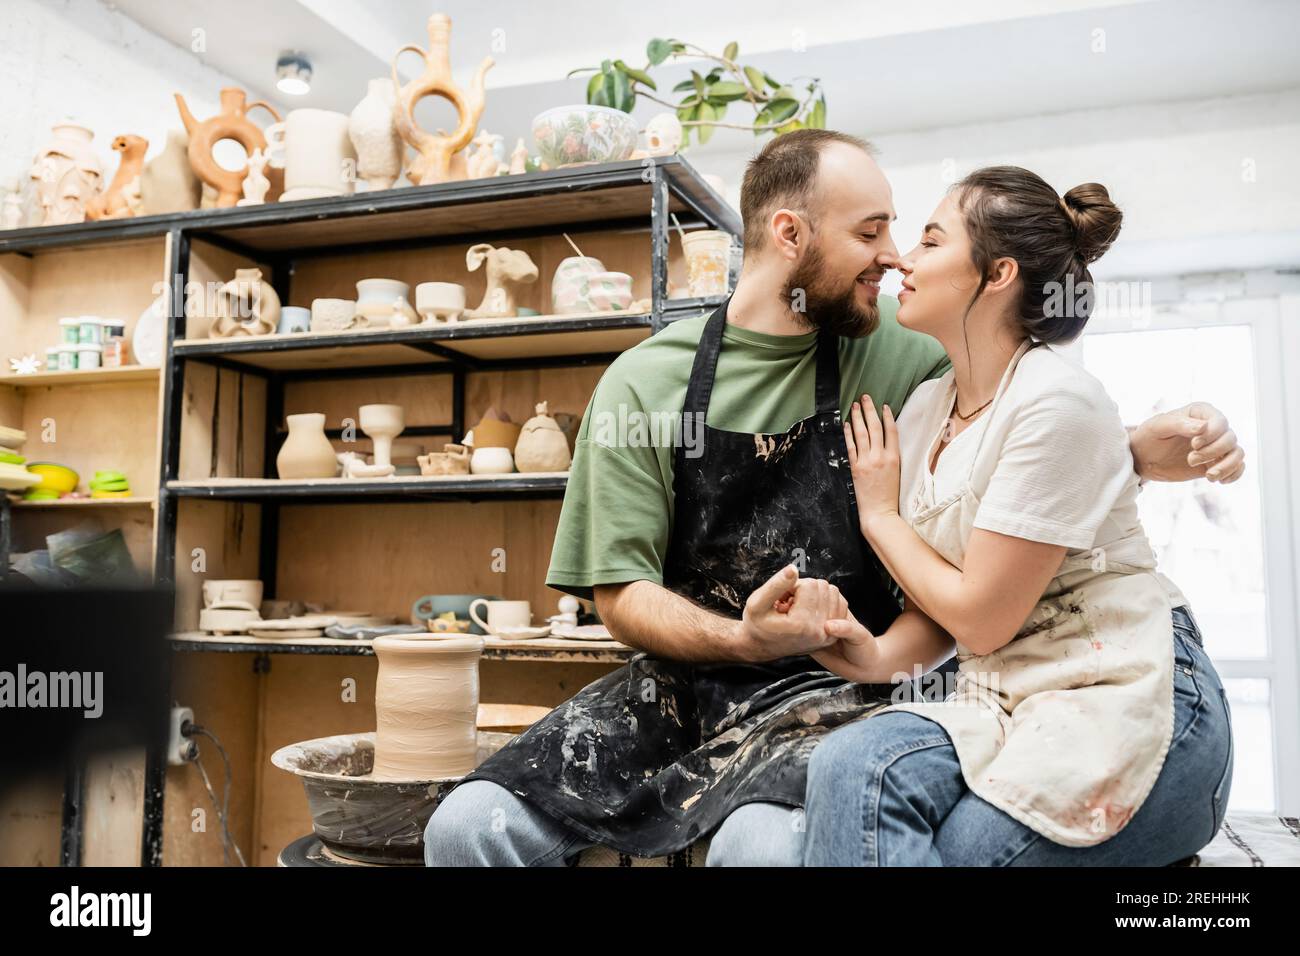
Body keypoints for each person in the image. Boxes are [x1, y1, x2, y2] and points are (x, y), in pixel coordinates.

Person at [424, 131, 1243, 867]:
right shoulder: (646, 383)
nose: (892, 258)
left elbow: (1019, 431)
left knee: (760, 846)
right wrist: (742, 639)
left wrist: (1131, 449)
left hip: (841, 688)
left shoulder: (903, 352)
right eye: (872, 232)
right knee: (465, 829)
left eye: (909, 233)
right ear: (790, 235)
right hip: (684, 685)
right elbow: (620, 594)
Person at [800, 166, 1235, 866]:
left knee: (971, 853)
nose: (902, 258)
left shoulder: (1057, 401)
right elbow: (949, 611)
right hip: (1006, 697)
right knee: (851, 764)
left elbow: (982, 618)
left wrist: (881, 516)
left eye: (931, 242)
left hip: (1138, 696)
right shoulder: (921, 414)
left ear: (996, 273)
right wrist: (874, 656)